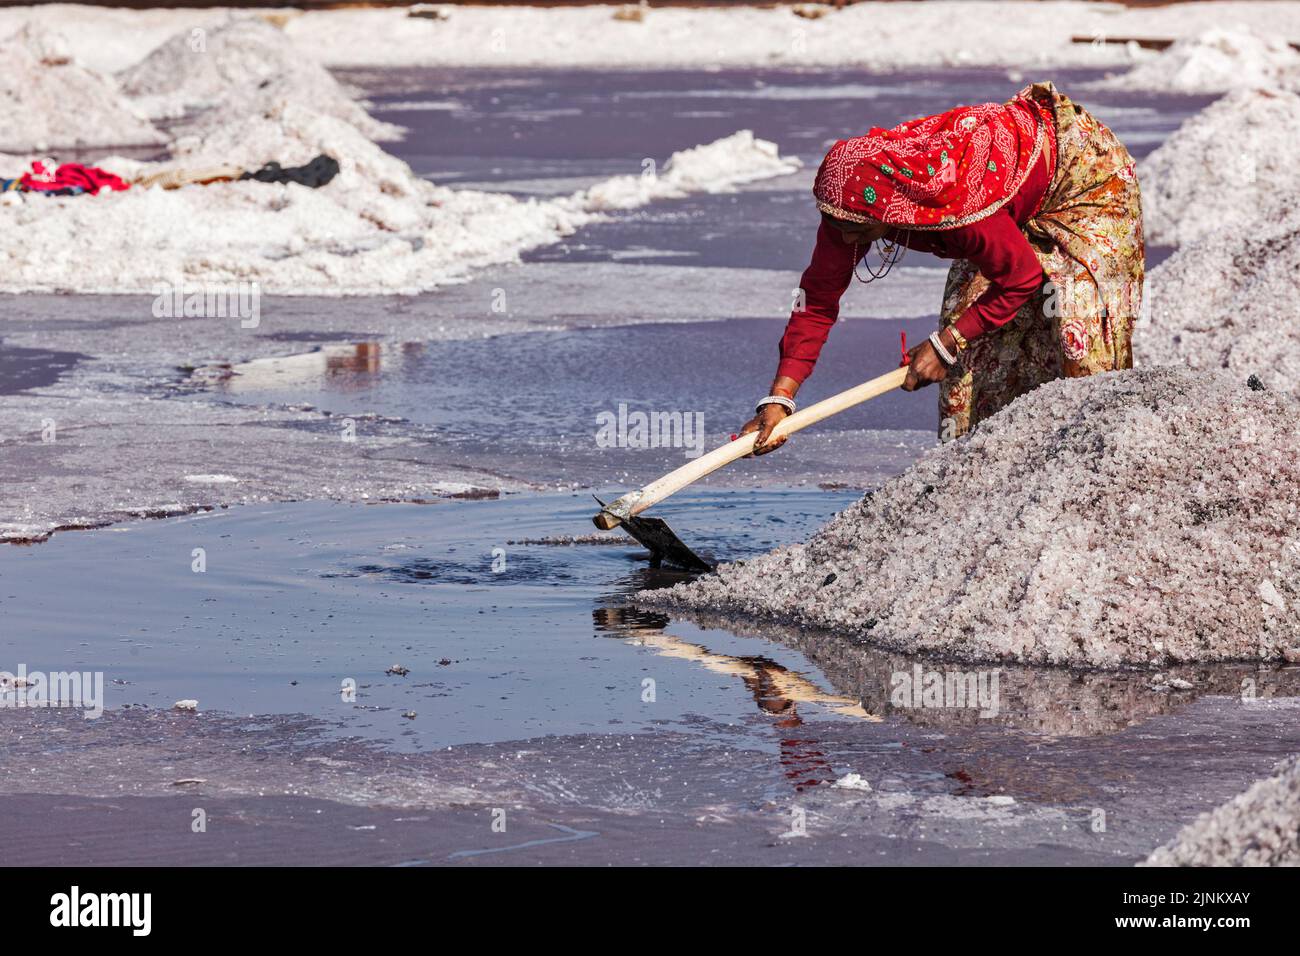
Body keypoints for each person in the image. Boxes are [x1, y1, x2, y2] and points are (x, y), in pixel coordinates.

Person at [741, 82, 1143, 454]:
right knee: (970, 359)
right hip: (1002, 197)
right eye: (837, 225)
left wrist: (946, 342)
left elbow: (1021, 278)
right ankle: (983, 470)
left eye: (854, 229)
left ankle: (1096, 461)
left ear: (886, 210)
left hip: (1085, 179)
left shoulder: (958, 205)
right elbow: (816, 301)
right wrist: (780, 398)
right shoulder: (847, 205)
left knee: (1079, 335)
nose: (845, 240)